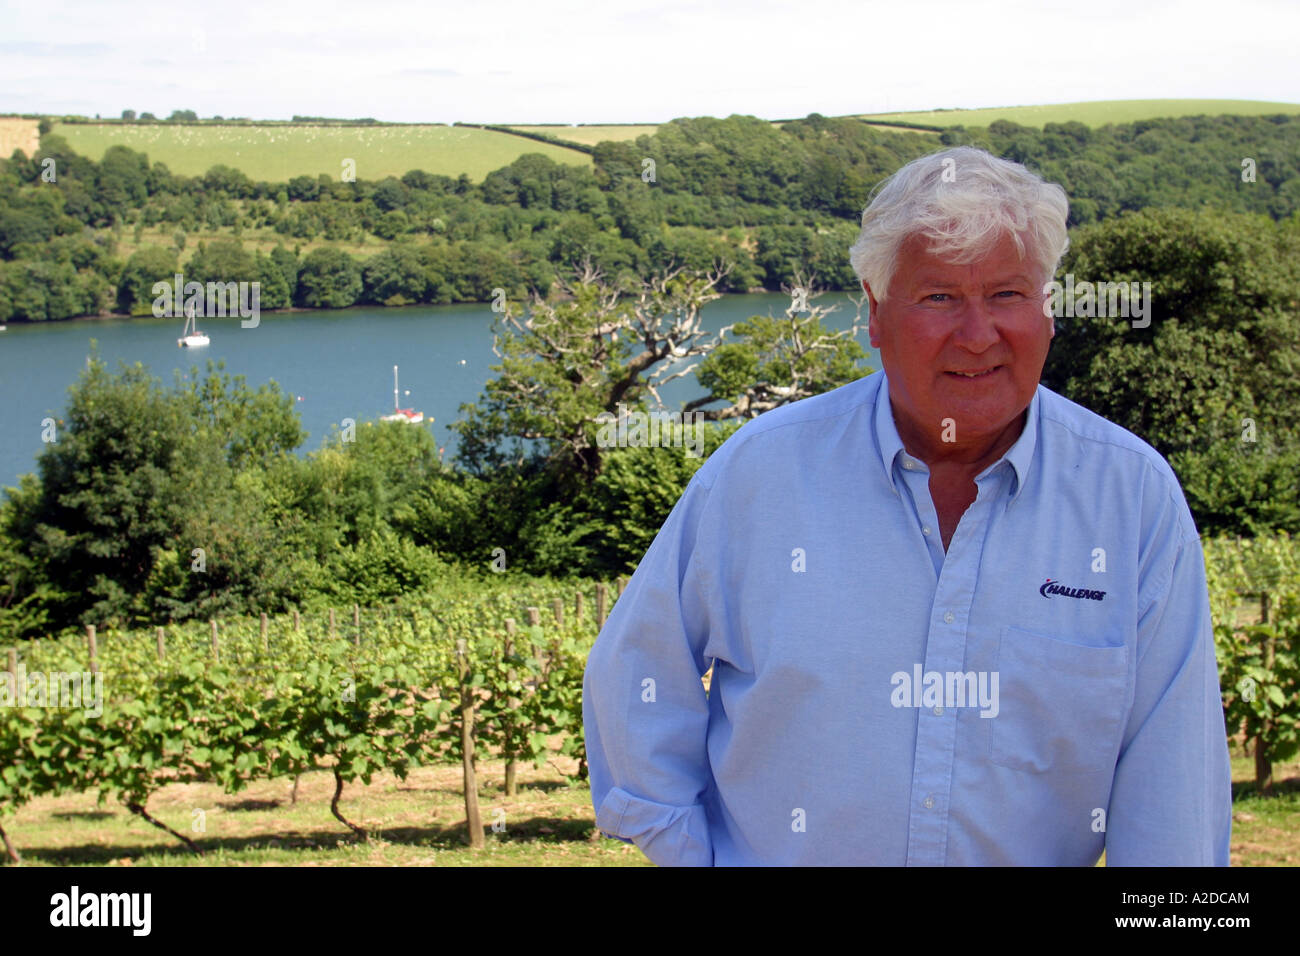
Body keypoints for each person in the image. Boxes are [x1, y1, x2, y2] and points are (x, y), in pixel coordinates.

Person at [581, 146, 1232, 866]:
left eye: (1009, 295)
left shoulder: (1131, 499)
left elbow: (1173, 805)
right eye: (940, 297)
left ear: (1048, 310)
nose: (978, 335)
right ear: (876, 312)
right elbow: (637, 681)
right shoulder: (759, 476)